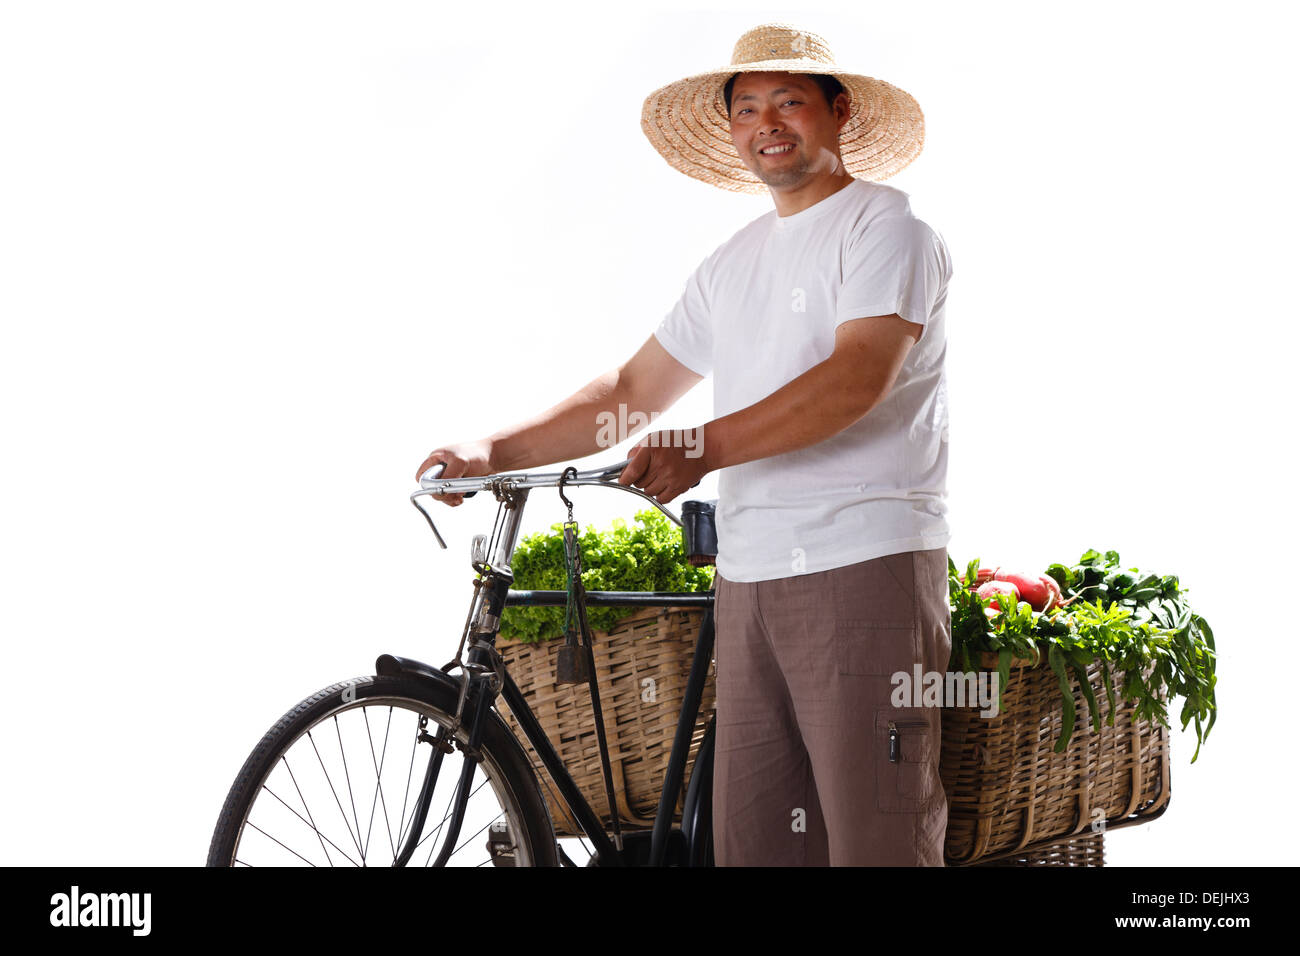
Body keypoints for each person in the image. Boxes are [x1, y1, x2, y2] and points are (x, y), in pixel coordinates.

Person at [415, 22, 953, 866]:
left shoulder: (887, 229)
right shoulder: (731, 265)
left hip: (863, 566)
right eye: (747, 108)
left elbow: (857, 380)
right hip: (749, 581)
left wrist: (701, 448)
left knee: (875, 843)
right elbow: (629, 394)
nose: (766, 123)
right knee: (752, 846)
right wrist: (492, 452)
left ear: (838, 112)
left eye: (789, 101)